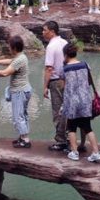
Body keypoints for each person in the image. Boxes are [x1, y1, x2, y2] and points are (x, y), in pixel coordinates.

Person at [0, 36, 33, 148]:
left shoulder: (19, 60)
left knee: (18, 116)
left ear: (14, 47)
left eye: (10, 46)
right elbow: (9, 61)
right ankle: (23, 137)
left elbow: (5, 73)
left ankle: (25, 140)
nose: (9, 48)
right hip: (24, 89)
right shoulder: (21, 57)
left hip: (19, 91)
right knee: (23, 114)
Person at [60, 44, 100, 163]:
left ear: (66, 54)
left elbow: (63, 86)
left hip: (72, 101)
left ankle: (74, 152)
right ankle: (95, 152)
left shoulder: (64, 69)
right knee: (88, 127)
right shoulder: (85, 65)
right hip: (85, 100)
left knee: (71, 127)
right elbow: (90, 81)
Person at [41, 21, 69, 151]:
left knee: (58, 111)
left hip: (56, 81)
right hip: (67, 80)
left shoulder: (51, 46)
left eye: (44, 30)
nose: (43, 32)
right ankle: (69, 137)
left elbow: (49, 68)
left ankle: (61, 140)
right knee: (67, 110)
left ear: (52, 31)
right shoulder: (64, 43)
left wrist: (45, 86)